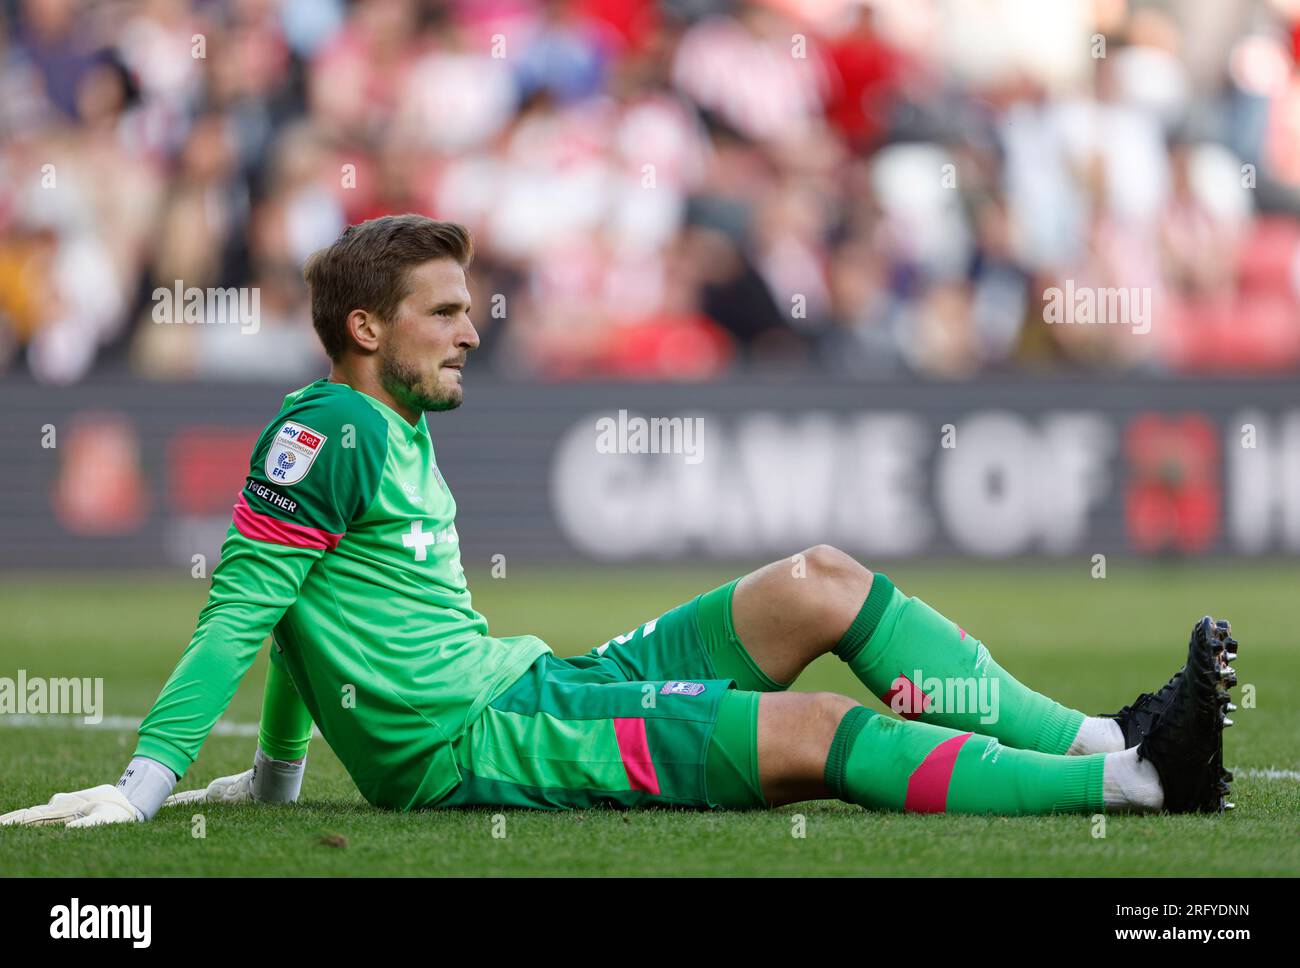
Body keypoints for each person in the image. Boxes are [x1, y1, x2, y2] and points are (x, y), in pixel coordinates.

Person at [1, 215, 1238, 828]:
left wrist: (276, 774)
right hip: (480, 745)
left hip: (533, 680)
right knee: (813, 727)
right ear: (369, 329)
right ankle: (1132, 782)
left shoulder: (387, 428)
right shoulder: (325, 432)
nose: (473, 329)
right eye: (444, 311)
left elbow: (300, 612)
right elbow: (245, 609)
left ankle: (1109, 729)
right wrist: (147, 780)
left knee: (818, 577)